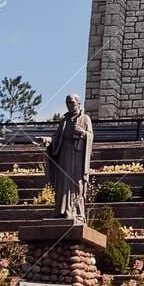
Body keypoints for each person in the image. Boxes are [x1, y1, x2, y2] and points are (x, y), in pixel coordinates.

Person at [43, 93, 94, 223]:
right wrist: (47, 140)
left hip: (77, 157)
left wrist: (82, 132)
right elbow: (56, 138)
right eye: (67, 103)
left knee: (77, 184)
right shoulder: (64, 121)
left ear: (78, 103)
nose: (69, 105)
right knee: (62, 184)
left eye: (71, 102)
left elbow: (90, 136)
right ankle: (61, 211)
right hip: (64, 156)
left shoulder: (85, 119)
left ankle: (76, 212)